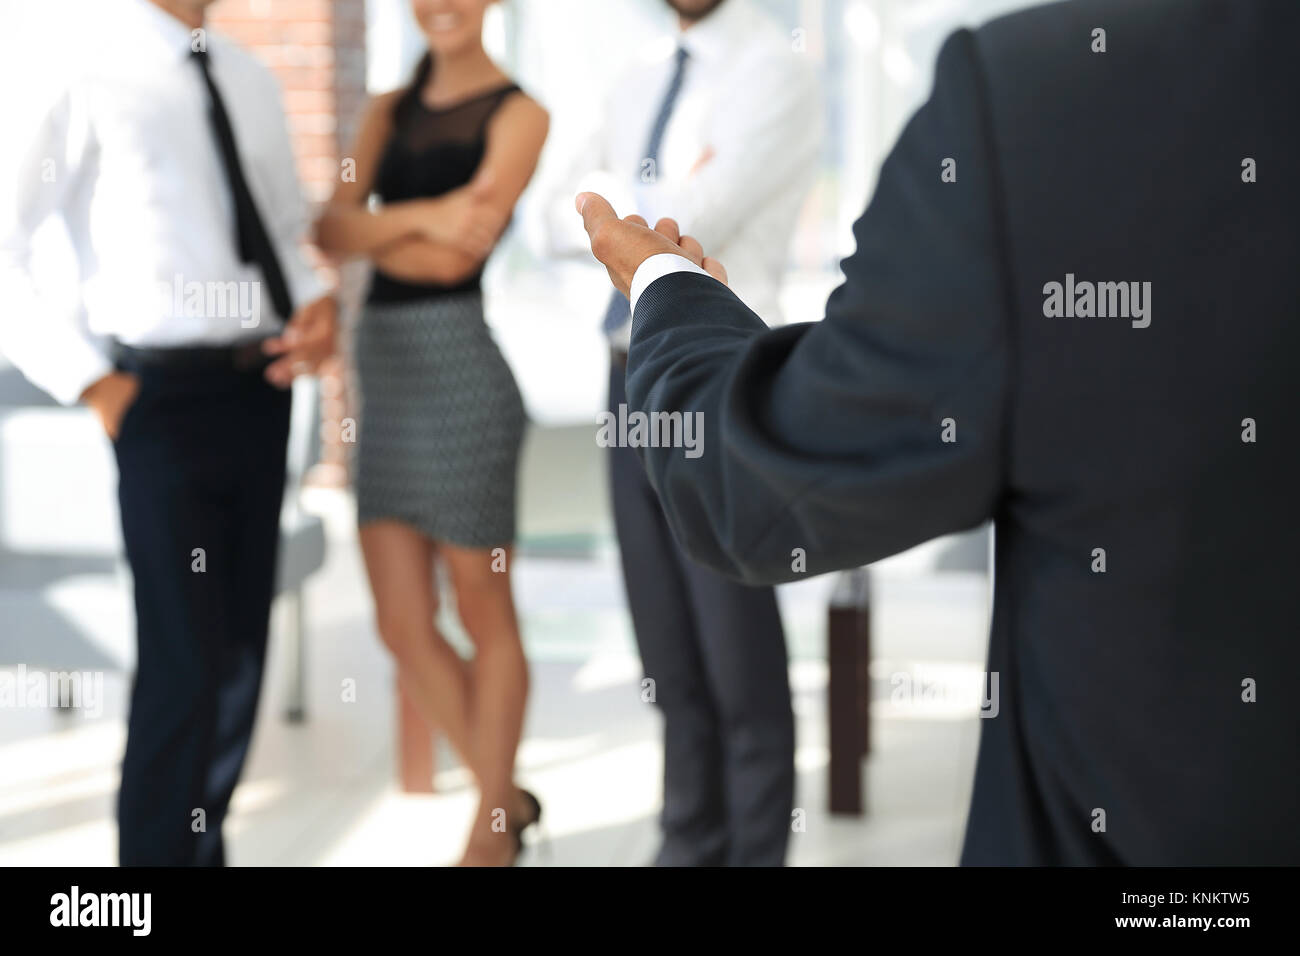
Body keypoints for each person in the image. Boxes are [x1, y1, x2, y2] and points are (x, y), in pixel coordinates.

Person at [577, 0, 1300, 865]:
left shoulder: (1039, 92)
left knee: (739, 683)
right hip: (650, 385)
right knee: (680, 671)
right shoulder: (634, 78)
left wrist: (659, 278)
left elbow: (757, 491)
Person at [0, 0, 336, 865]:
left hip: (261, 389)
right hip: (159, 400)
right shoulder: (81, 61)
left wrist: (316, 305)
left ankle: (202, 850)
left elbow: (286, 229)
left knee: (238, 659)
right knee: (181, 663)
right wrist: (92, 382)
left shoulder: (247, 75)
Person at [542, 0, 820, 867]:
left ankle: (753, 854)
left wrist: (618, 208)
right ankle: (688, 845)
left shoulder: (772, 70)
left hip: (720, 380)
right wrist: (623, 213)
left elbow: (693, 221)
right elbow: (554, 213)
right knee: (665, 639)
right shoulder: (635, 74)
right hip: (628, 372)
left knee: (735, 649)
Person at [314, 0, 548, 867]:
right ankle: (510, 797)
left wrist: (386, 228)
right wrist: (425, 214)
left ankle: (491, 828)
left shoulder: (523, 114)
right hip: (388, 385)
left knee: (484, 609)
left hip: (462, 382)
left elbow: (456, 260)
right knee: (401, 623)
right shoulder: (384, 107)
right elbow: (327, 226)